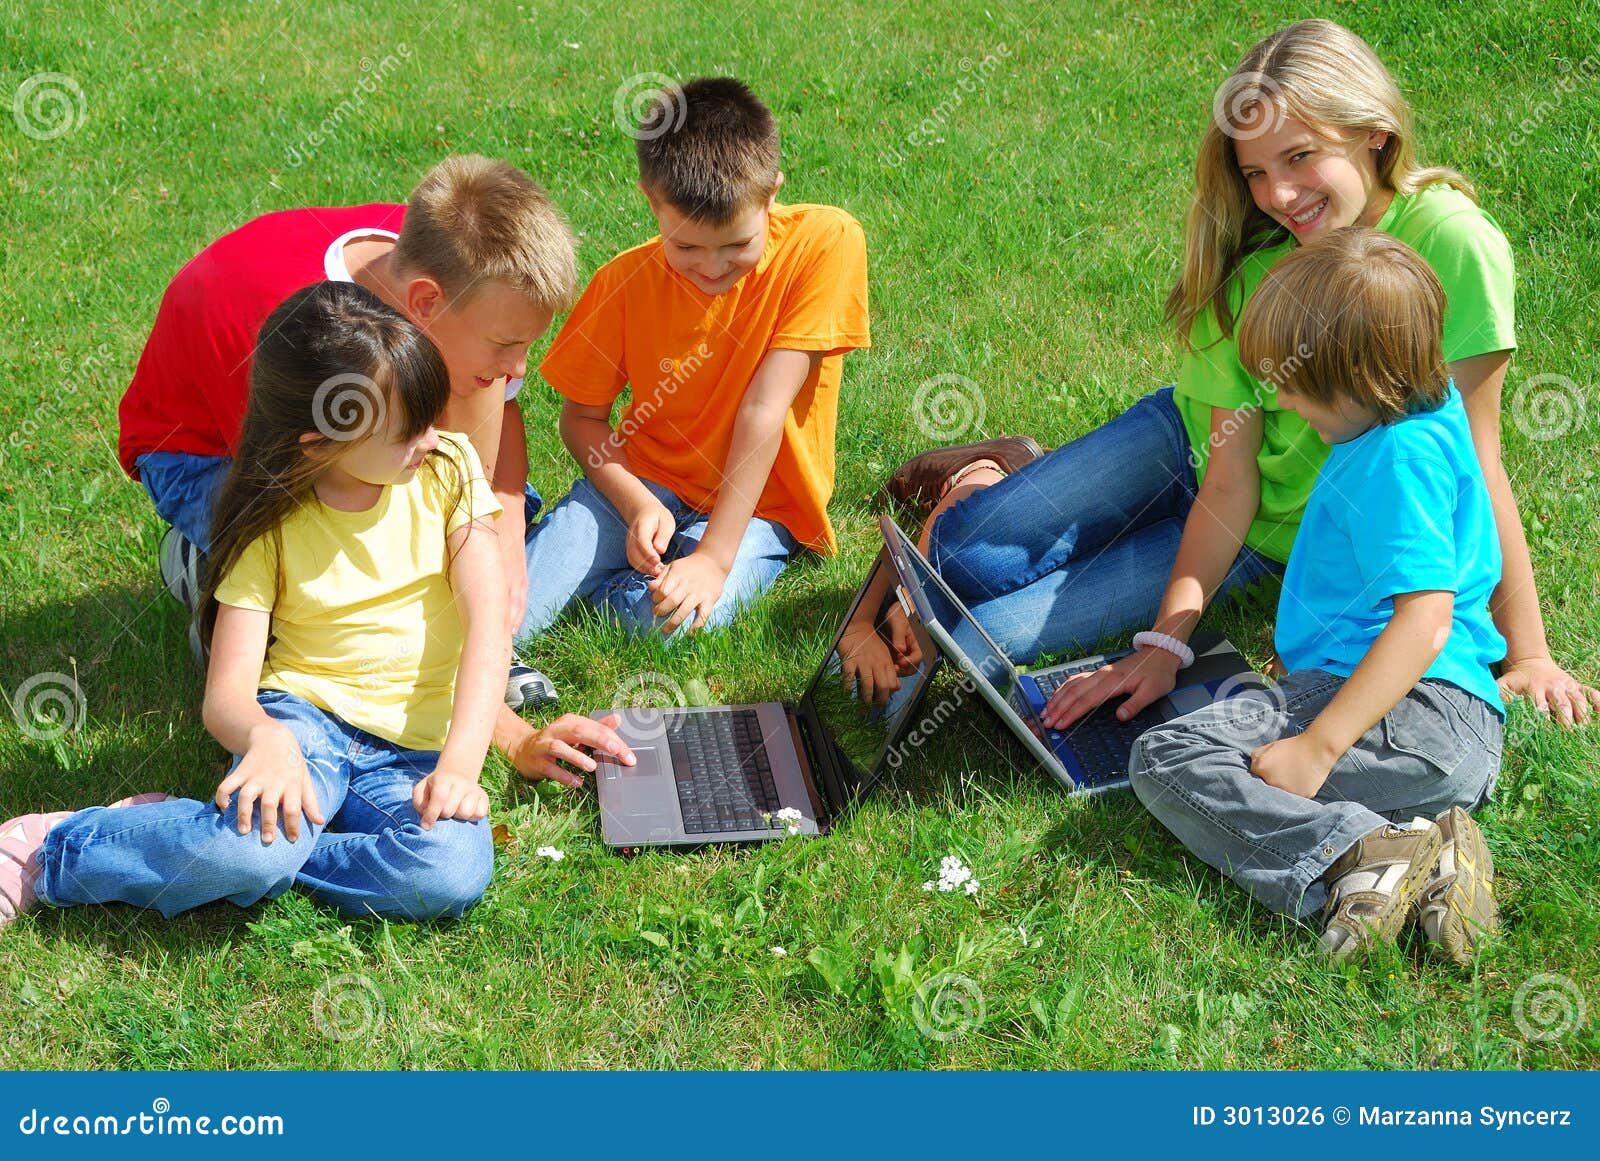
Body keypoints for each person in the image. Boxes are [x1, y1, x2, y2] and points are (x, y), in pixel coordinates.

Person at [887, 18, 1597, 728]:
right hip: (1189, 442)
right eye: (1256, 172)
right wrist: (1169, 636)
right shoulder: (1250, 261)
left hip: (1265, 530)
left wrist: (1528, 653)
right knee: (961, 558)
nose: (1279, 196)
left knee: (985, 642)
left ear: (1374, 133)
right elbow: (1226, 474)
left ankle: (1019, 482)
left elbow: (1476, 460)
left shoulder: (1451, 243)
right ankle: (989, 472)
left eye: (1300, 157)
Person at [2, 283, 633, 930]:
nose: (431, 437)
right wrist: (265, 737)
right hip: (308, 727)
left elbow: (488, 631)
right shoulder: (270, 526)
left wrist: (460, 768)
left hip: (414, 750)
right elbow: (228, 697)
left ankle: (221, 845)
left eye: (429, 413)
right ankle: (56, 848)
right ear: (319, 442)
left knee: (448, 870)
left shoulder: (449, 469)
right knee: (252, 850)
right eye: (408, 427)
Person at [1128, 228, 1504, 962]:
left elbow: (1425, 619)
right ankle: (1439, 856)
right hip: (1449, 736)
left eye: (1296, 388)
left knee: (1168, 755)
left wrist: (1318, 745)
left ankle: (1358, 854)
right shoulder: (1424, 415)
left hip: (1416, 710)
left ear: (1360, 380)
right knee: (1234, 743)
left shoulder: (1395, 458)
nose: (1285, 403)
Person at [117, 155, 572, 707]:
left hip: (371, 428)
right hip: (215, 455)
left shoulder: (462, 261)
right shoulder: (293, 335)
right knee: (326, 584)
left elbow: (488, 408)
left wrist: (500, 524)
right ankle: (204, 568)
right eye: (505, 345)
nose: (519, 367)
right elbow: (320, 495)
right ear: (425, 304)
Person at [521, 77, 870, 640]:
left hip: (762, 506)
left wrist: (712, 558)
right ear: (651, 202)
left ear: (772, 191)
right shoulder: (623, 282)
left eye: (737, 245)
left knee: (678, 624)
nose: (712, 267)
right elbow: (581, 420)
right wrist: (635, 504)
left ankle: (622, 590)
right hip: (644, 479)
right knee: (512, 610)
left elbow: (764, 407)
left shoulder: (826, 242)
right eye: (686, 247)